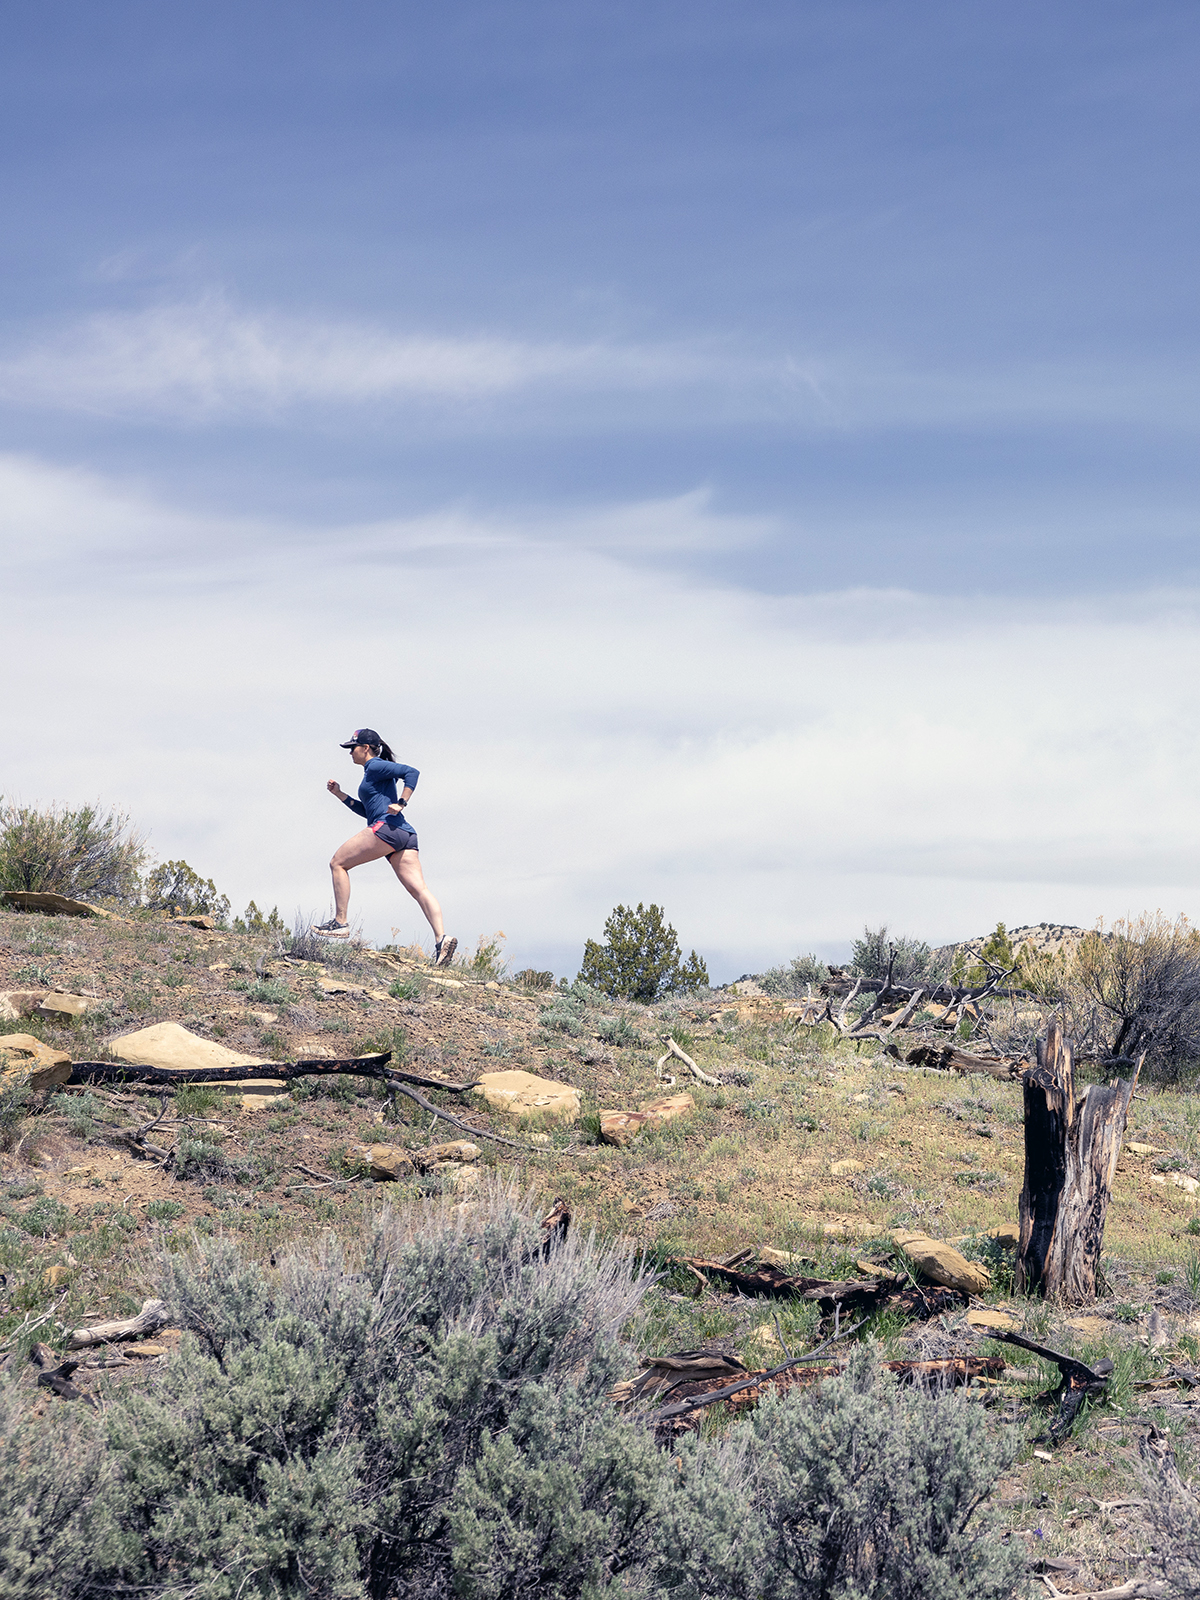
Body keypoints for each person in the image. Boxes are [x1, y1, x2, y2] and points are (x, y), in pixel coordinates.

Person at [316, 726, 457, 966]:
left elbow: (412, 772)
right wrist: (340, 794)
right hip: (404, 834)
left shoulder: (375, 765)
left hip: (388, 828)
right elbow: (368, 811)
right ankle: (441, 939)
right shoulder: (373, 772)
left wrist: (402, 802)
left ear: (366, 748)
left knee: (337, 863)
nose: (350, 752)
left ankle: (340, 923)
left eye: (352, 748)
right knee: (419, 890)